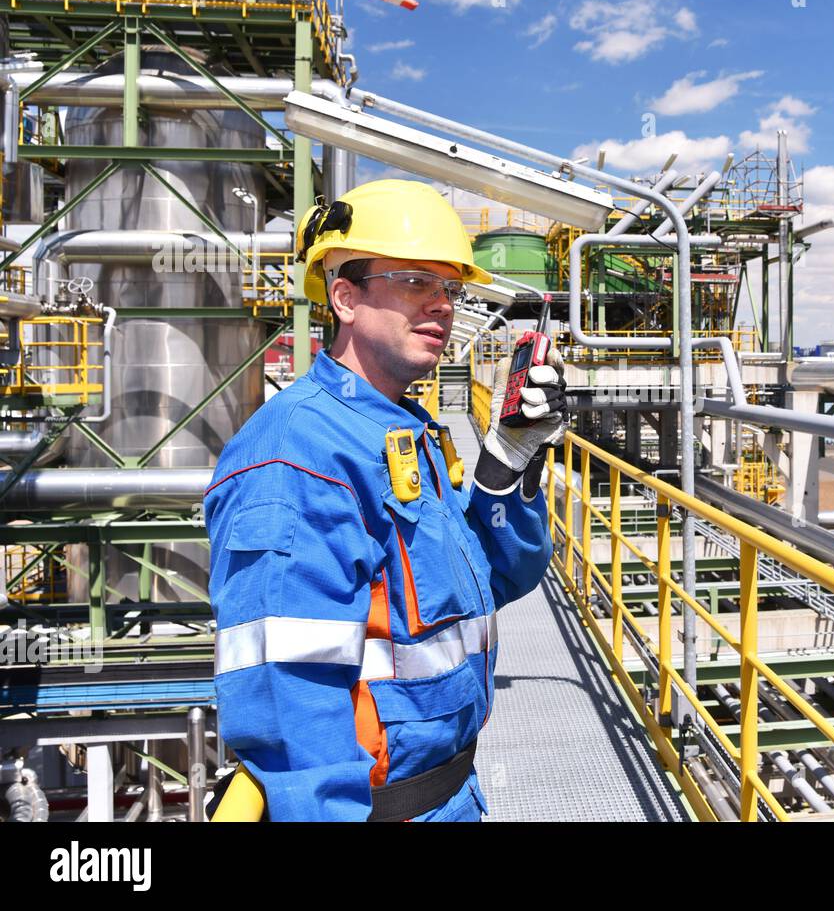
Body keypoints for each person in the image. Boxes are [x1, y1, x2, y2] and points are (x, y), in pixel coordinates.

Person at [205, 179, 566, 821]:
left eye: (449, 288)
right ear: (344, 297)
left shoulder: (401, 429)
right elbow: (290, 701)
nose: (443, 306)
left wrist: (508, 464)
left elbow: (491, 582)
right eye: (414, 282)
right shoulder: (297, 457)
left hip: (453, 795)